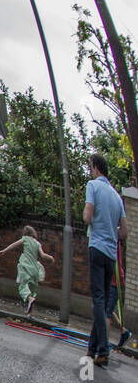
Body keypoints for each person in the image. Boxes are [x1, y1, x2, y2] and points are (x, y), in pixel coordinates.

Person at [82, 152, 128, 366]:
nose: (91, 171)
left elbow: (87, 215)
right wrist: (112, 229)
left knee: (98, 301)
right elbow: (124, 232)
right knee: (102, 301)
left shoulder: (93, 186)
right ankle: (92, 350)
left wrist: (89, 219)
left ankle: (103, 349)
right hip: (111, 254)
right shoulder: (117, 196)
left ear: (96, 168)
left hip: (97, 247)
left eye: (91, 167)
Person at [0, 226, 54, 316]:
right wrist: (50, 258)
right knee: (32, 290)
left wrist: (4, 251)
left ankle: (30, 300)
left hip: (25, 266)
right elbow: (43, 256)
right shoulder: (37, 243)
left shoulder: (25, 239)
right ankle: (30, 311)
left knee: (23, 287)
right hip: (35, 269)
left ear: (25, 233)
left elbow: (14, 245)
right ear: (33, 233)